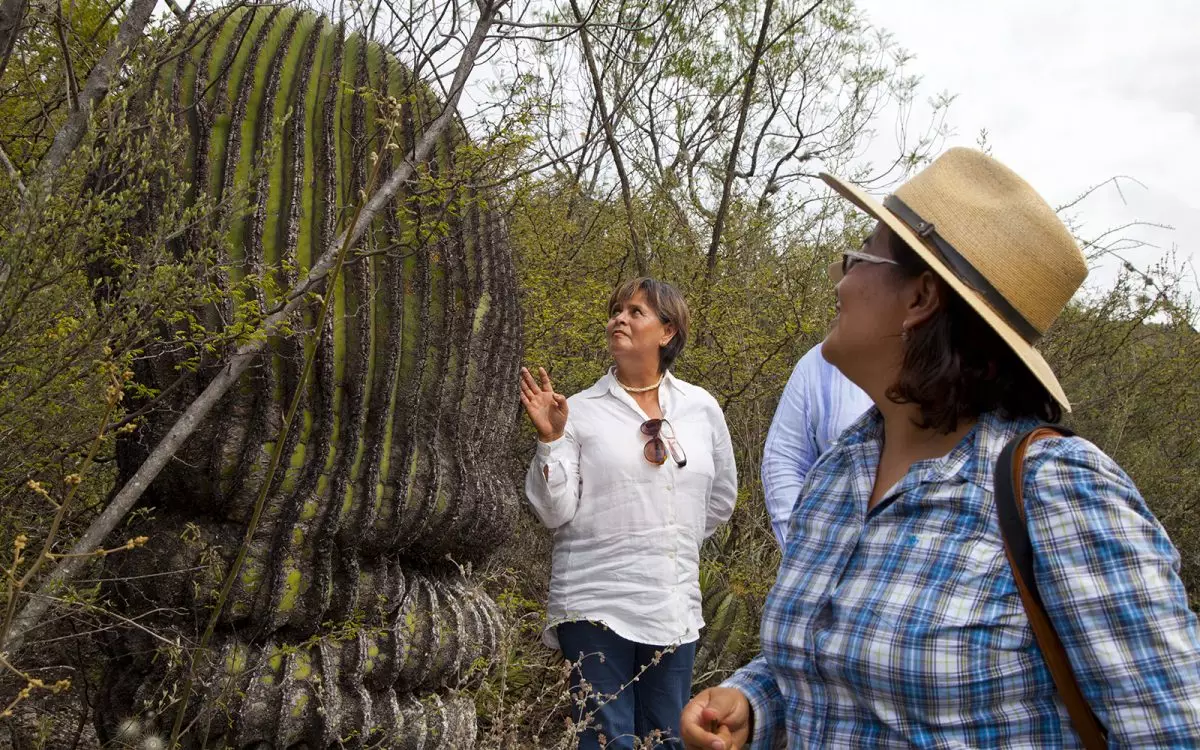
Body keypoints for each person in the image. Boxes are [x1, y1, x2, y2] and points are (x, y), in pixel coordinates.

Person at [680, 148, 1200, 748]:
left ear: (921, 298)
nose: (839, 277)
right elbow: (834, 667)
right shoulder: (837, 474)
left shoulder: (1058, 490)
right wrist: (757, 702)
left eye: (858, 257)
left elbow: (1170, 730)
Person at [521, 277, 738, 750]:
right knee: (607, 740)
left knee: (667, 737)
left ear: (668, 331)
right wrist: (551, 440)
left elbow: (720, 499)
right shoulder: (577, 410)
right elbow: (553, 512)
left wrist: (665, 541)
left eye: (635, 311)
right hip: (595, 600)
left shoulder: (701, 408)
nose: (619, 318)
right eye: (616, 310)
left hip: (674, 603)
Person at [761, 341, 871, 546]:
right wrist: (803, 546)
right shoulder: (818, 364)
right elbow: (785, 459)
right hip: (834, 556)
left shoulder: (942, 357)